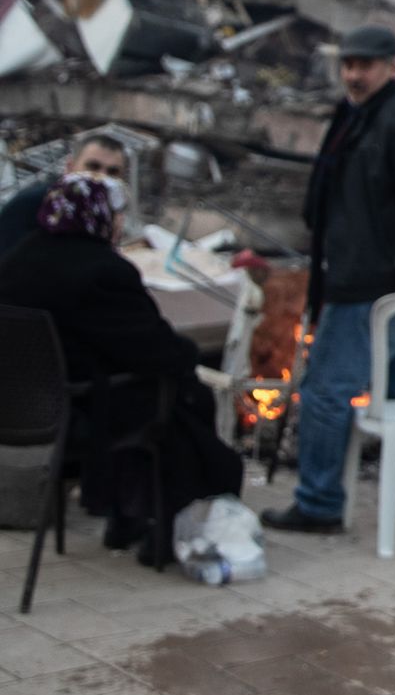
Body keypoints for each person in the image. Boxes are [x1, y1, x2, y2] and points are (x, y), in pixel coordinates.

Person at [262, 24, 395, 535]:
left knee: (328, 390)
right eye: (348, 65)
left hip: (376, 288)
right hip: (374, 282)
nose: (354, 75)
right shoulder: (361, 115)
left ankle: (318, 503)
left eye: (365, 66)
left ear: (391, 67)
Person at [0, 174, 242, 564]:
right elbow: (153, 347)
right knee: (182, 398)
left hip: (19, 408)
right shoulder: (103, 270)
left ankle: (126, 515)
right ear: (96, 214)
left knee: (151, 390)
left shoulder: (17, 260)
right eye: (115, 215)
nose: (118, 225)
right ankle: (161, 527)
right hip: (77, 413)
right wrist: (188, 354)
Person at [0, 134, 128, 262]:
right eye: (93, 167)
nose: (101, 177)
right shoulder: (33, 205)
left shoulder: (110, 210)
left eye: (112, 172)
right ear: (70, 167)